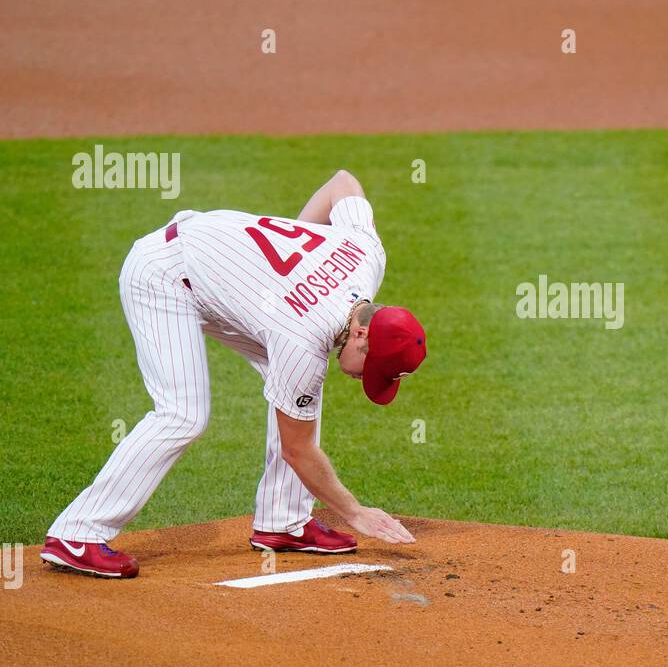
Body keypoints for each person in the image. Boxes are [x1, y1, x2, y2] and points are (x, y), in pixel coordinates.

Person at [41, 170, 425, 578]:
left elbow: (342, 184)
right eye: (372, 366)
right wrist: (354, 511)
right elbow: (298, 448)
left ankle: (283, 522)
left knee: (301, 391)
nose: (365, 377)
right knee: (183, 414)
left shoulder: (366, 253)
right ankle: (76, 533)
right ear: (362, 332)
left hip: (228, 280)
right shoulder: (304, 335)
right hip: (165, 275)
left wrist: (292, 278)